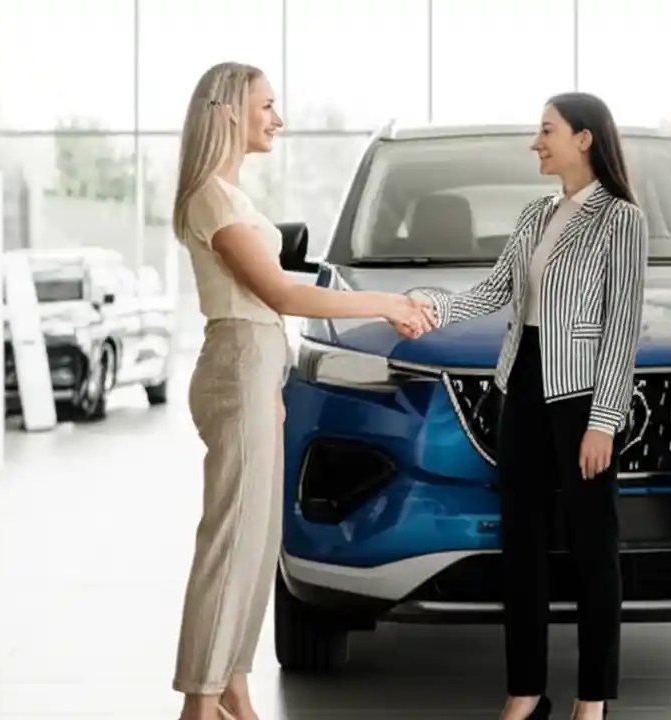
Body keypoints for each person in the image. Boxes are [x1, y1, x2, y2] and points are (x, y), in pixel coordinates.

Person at [168, 62, 434, 720]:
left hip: (256, 364)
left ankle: (232, 683)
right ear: (229, 110)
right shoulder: (211, 197)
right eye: (267, 105)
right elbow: (281, 293)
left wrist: (276, 379)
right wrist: (388, 305)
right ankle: (201, 700)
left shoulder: (233, 195)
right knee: (230, 540)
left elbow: (268, 311)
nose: (277, 118)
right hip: (237, 361)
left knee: (259, 542)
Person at [410, 92, 648, 720]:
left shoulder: (619, 219)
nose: (536, 142)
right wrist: (431, 308)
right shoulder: (536, 213)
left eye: (546, 131)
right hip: (521, 388)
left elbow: (621, 327)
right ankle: (525, 691)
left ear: (584, 139)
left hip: (581, 399)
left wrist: (604, 421)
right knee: (523, 544)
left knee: (595, 549)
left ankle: (592, 698)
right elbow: (496, 290)